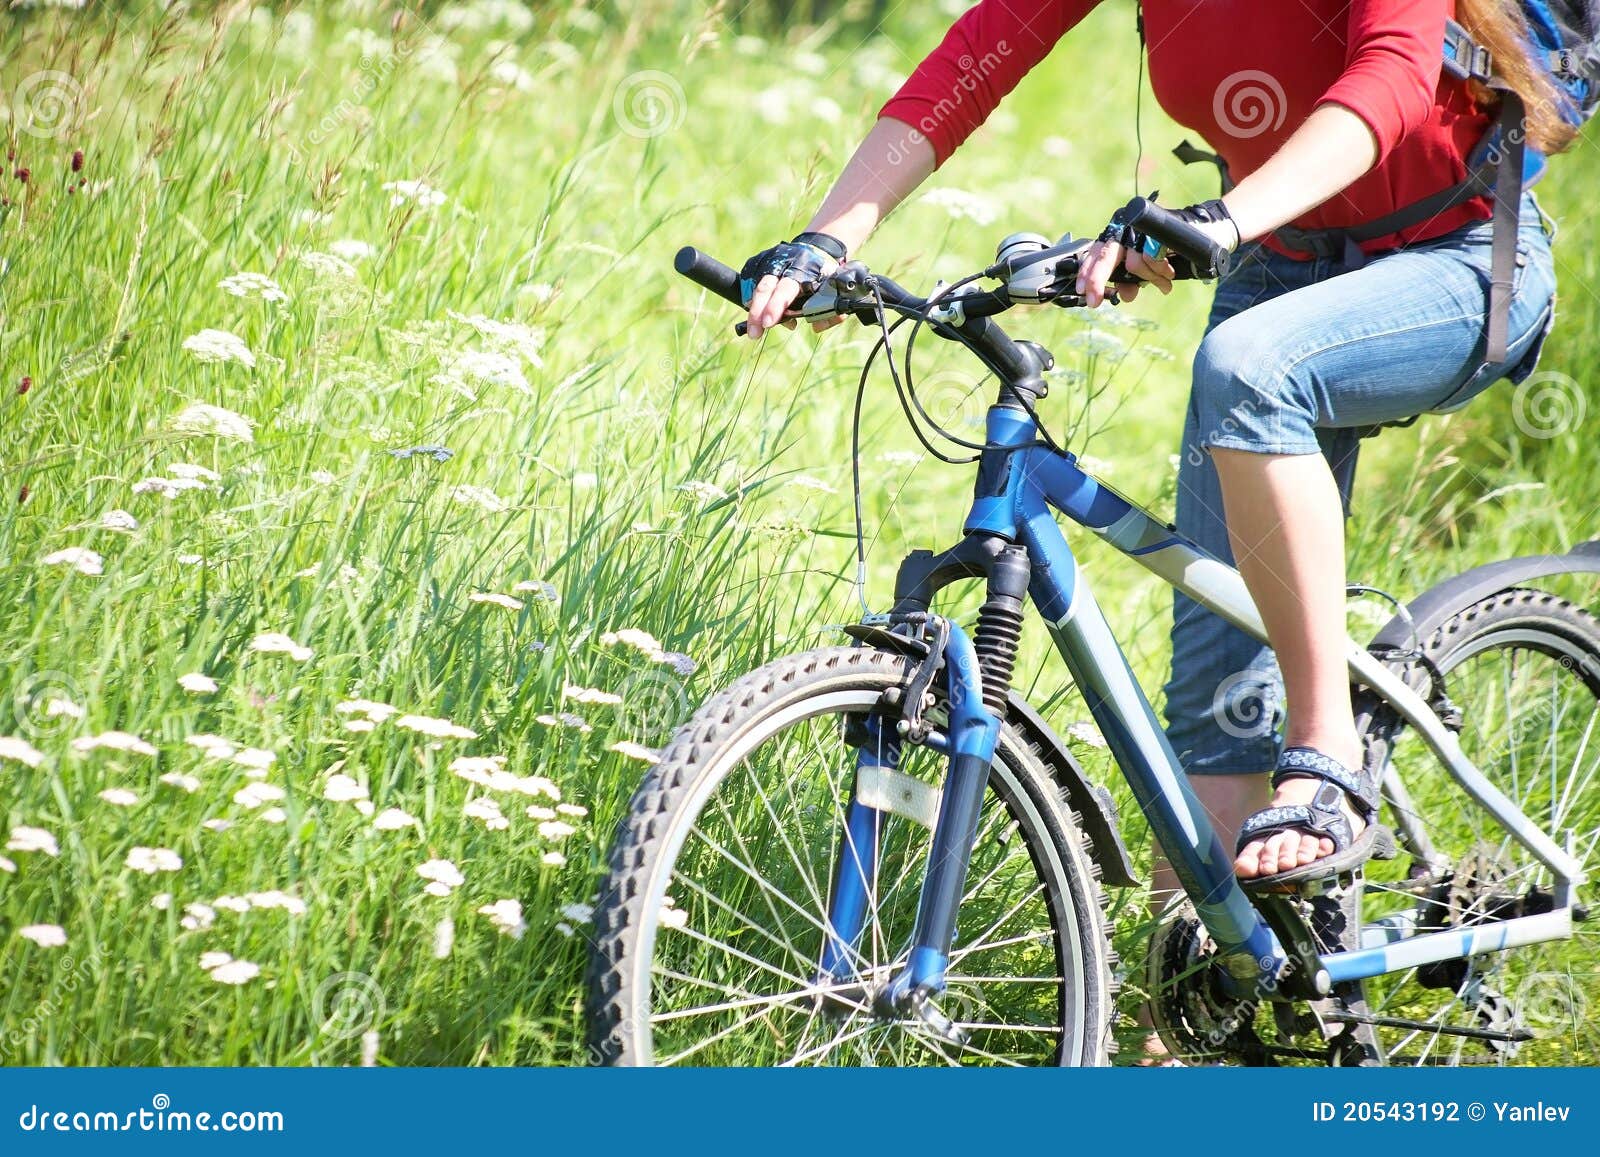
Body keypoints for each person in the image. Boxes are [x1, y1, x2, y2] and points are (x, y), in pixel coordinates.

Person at [739, 0, 1565, 901]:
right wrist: (826, 239)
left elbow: (1392, 77)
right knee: (1215, 710)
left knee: (1250, 369)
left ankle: (1325, 749)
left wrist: (1224, 218)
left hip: (1461, 254)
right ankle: (1205, 980)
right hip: (1279, 261)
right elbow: (980, 52)